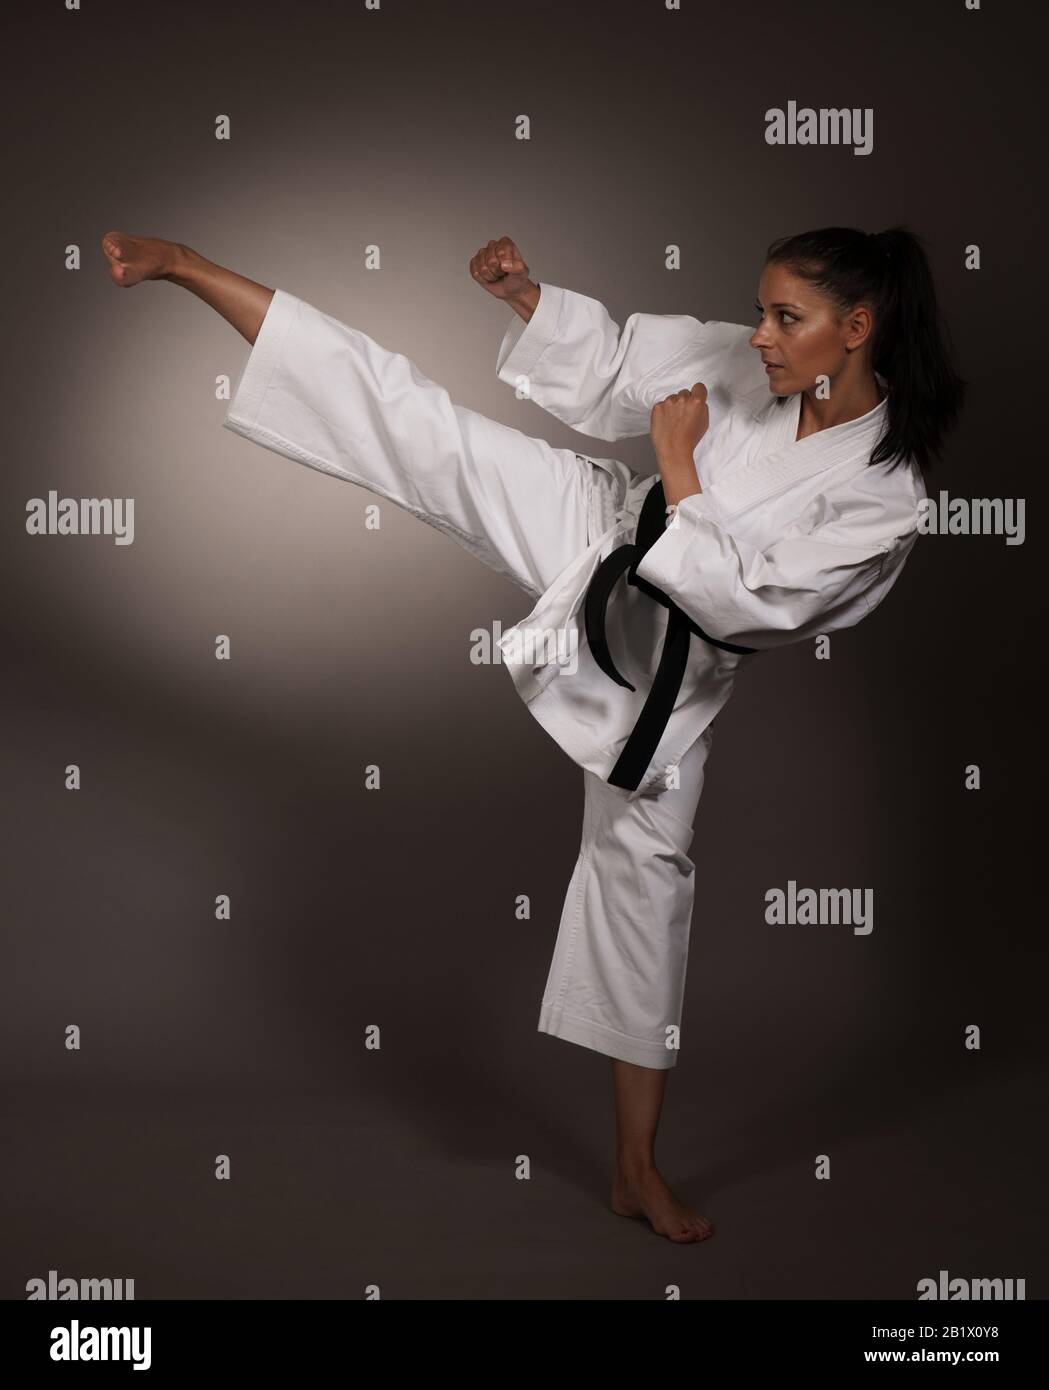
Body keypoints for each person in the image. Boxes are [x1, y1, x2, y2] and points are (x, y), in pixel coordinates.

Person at [99, 226, 965, 1243]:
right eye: (763, 310)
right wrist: (525, 296)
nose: (761, 337)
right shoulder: (746, 355)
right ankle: (193, 267)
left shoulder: (885, 496)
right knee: (420, 426)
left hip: (671, 667)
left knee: (643, 881)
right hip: (600, 525)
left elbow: (745, 605)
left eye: (786, 318)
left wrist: (681, 469)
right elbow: (609, 368)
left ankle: (634, 1169)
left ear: (855, 328)